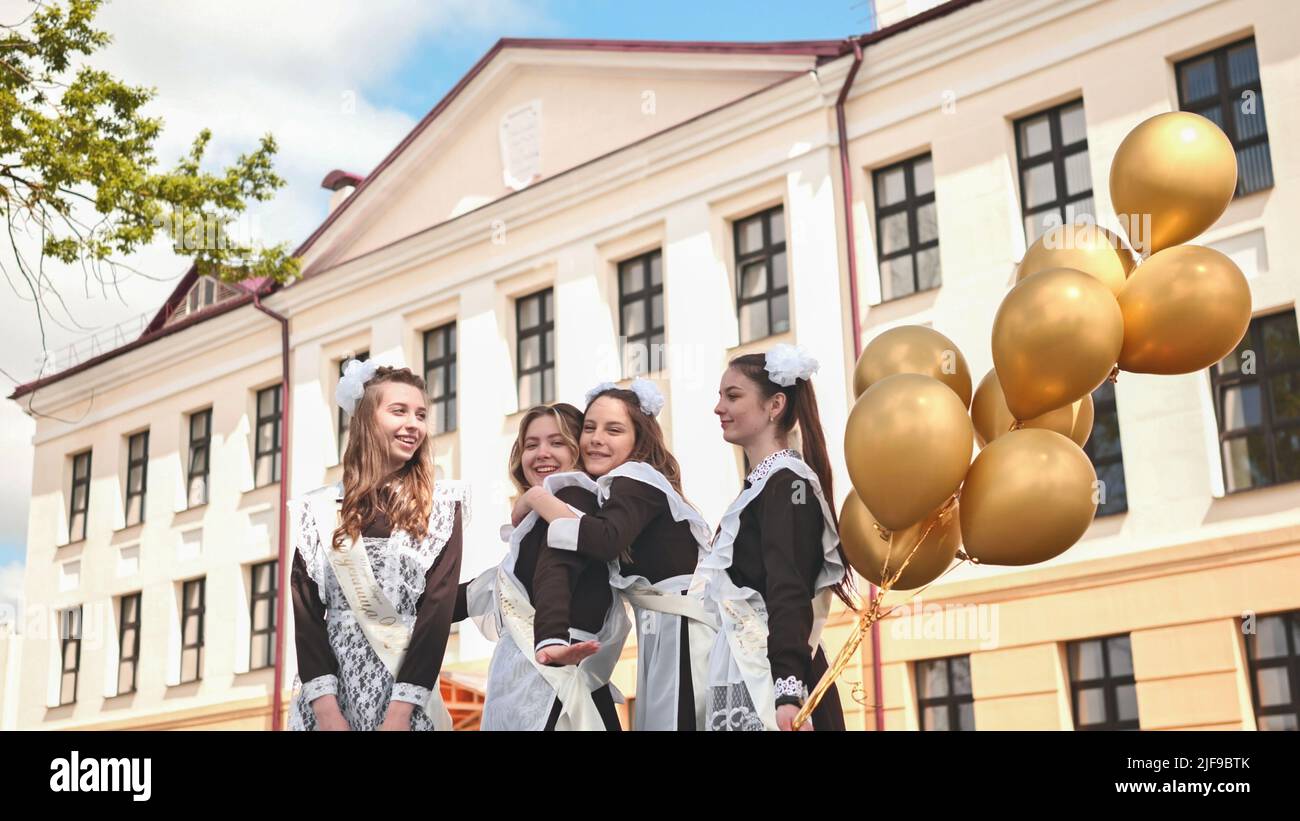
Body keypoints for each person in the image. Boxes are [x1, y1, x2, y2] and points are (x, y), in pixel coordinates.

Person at [521, 379, 715, 730]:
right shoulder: (621, 486)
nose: (596, 438)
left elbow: (607, 539)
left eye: (614, 430)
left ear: (638, 439)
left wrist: (537, 497)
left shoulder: (636, 476)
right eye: (590, 428)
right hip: (664, 627)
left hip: (685, 629)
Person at [288, 361, 467, 731]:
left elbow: (435, 613)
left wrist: (400, 716)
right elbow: (306, 615)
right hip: (330, 699)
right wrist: (327, 713)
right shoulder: (320, 511)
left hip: (407, 696)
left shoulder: (442, 507)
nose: (414, 424)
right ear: (367, 420)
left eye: (420, 414)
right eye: (399, 411)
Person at [699, 344, 851, 731]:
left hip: (776, 679)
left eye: (732, 396)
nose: (719, 407)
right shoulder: (762, 486)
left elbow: (789, 586)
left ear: (775, 404)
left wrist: (788, 692)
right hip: (748, 671)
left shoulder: (788, 484)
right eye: (720, 396)